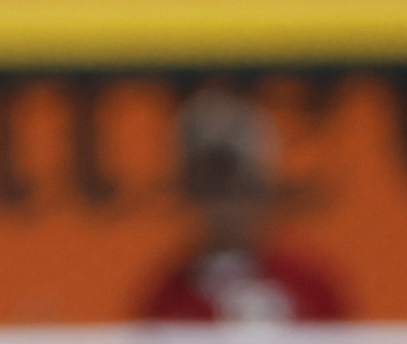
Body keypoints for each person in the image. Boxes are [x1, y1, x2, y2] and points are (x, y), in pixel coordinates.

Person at [137, 91, 348, 325]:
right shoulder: (166, 299)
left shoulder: (310, 288)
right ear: (188, 193)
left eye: (237, 184)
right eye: (209, 187)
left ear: (264, 185)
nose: (223, 204)